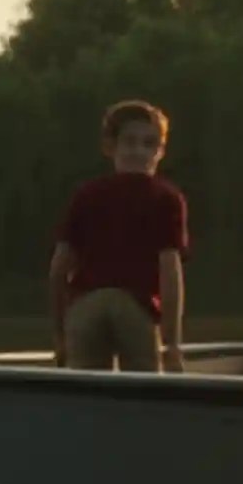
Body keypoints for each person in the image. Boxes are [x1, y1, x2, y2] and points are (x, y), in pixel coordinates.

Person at [47, 99, 189, 373]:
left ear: (161, 152)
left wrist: (60, 336)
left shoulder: (86, 194)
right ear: (110, 147)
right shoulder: (167, 198)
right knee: (143, 390)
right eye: (131, 142)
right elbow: (170, 272)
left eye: (149, 144)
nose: (140, 151)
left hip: (85, 306)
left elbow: (58, 270)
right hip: (134, 307)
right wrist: (172, 344)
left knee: (85, 389)